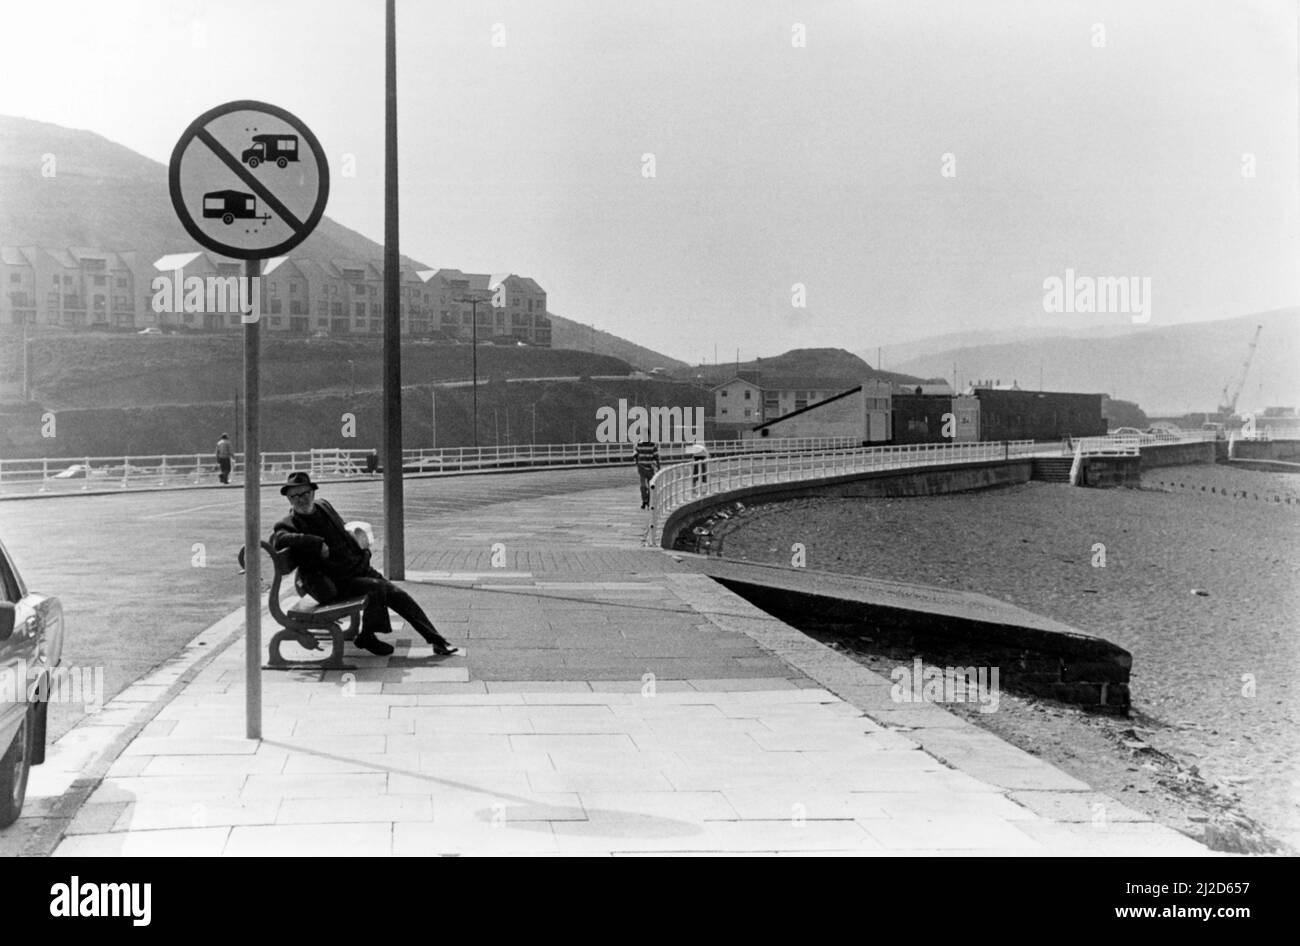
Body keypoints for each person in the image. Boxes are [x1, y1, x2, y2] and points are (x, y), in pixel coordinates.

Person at [269, 471, 459, 657]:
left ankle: (437, 641)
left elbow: (343, 532)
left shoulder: (324, 506)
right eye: (295, 496)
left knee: (399, 595)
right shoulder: (289, 522)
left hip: (356, 569)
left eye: (305, 493)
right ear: (289, 499)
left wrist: (361, 550)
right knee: (377, 588)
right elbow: (279, 539)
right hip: (333, 582)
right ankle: (367, 636)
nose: (301, 499)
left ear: (313, 492)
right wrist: (315, 542)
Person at [633, 439, 660, 509]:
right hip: (642, 468)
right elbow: (635, 455)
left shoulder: (653, 445)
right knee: (643, 486)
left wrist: (657, 466)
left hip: (650, 469)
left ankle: (648, 501)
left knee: (651, 486)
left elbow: (656, 457)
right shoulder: (638, 444)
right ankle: (644, 500)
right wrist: (637, 464)